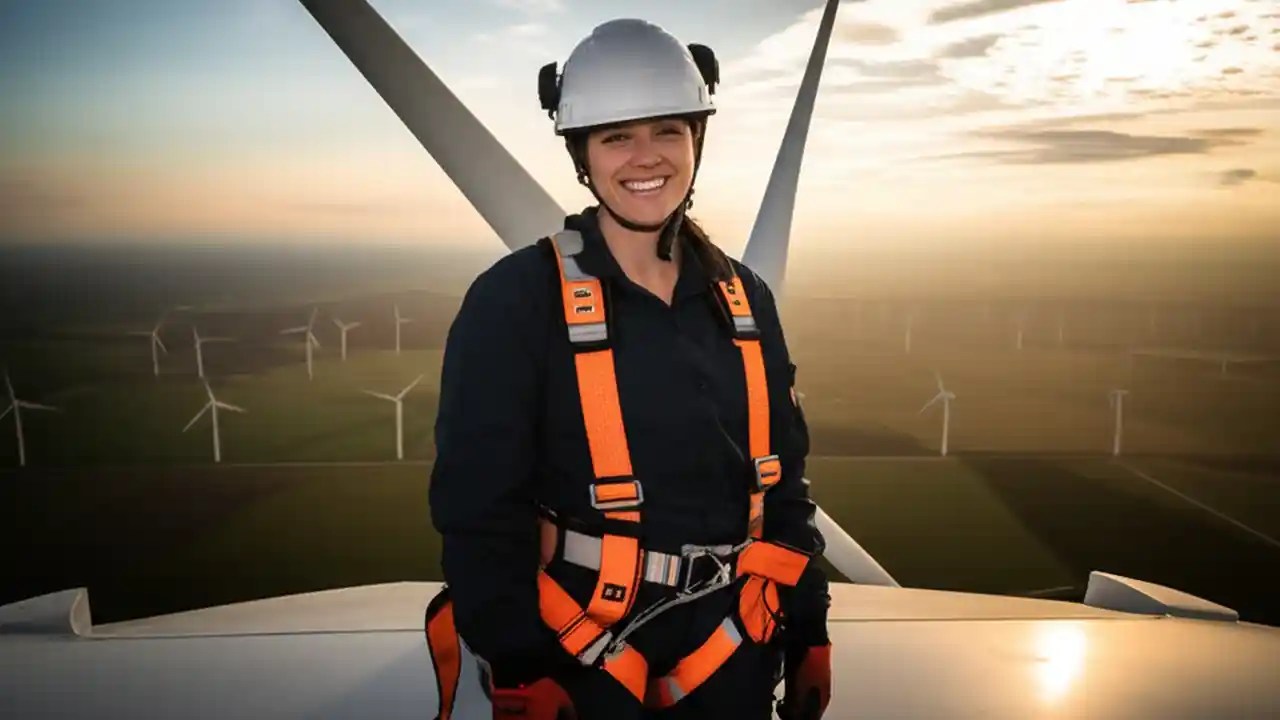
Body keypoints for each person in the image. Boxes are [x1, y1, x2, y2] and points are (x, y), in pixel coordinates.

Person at [427, 18, 831, 720]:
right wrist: (518, 663)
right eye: (618, 136)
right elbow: (478, 509)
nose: (647, 157)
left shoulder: (744, 299)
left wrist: (809, 629)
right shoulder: (516, 302)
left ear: (695, 141)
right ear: (582, 153)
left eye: (668, 131)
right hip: (577, 658)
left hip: (735, 652)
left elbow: (782, 484)